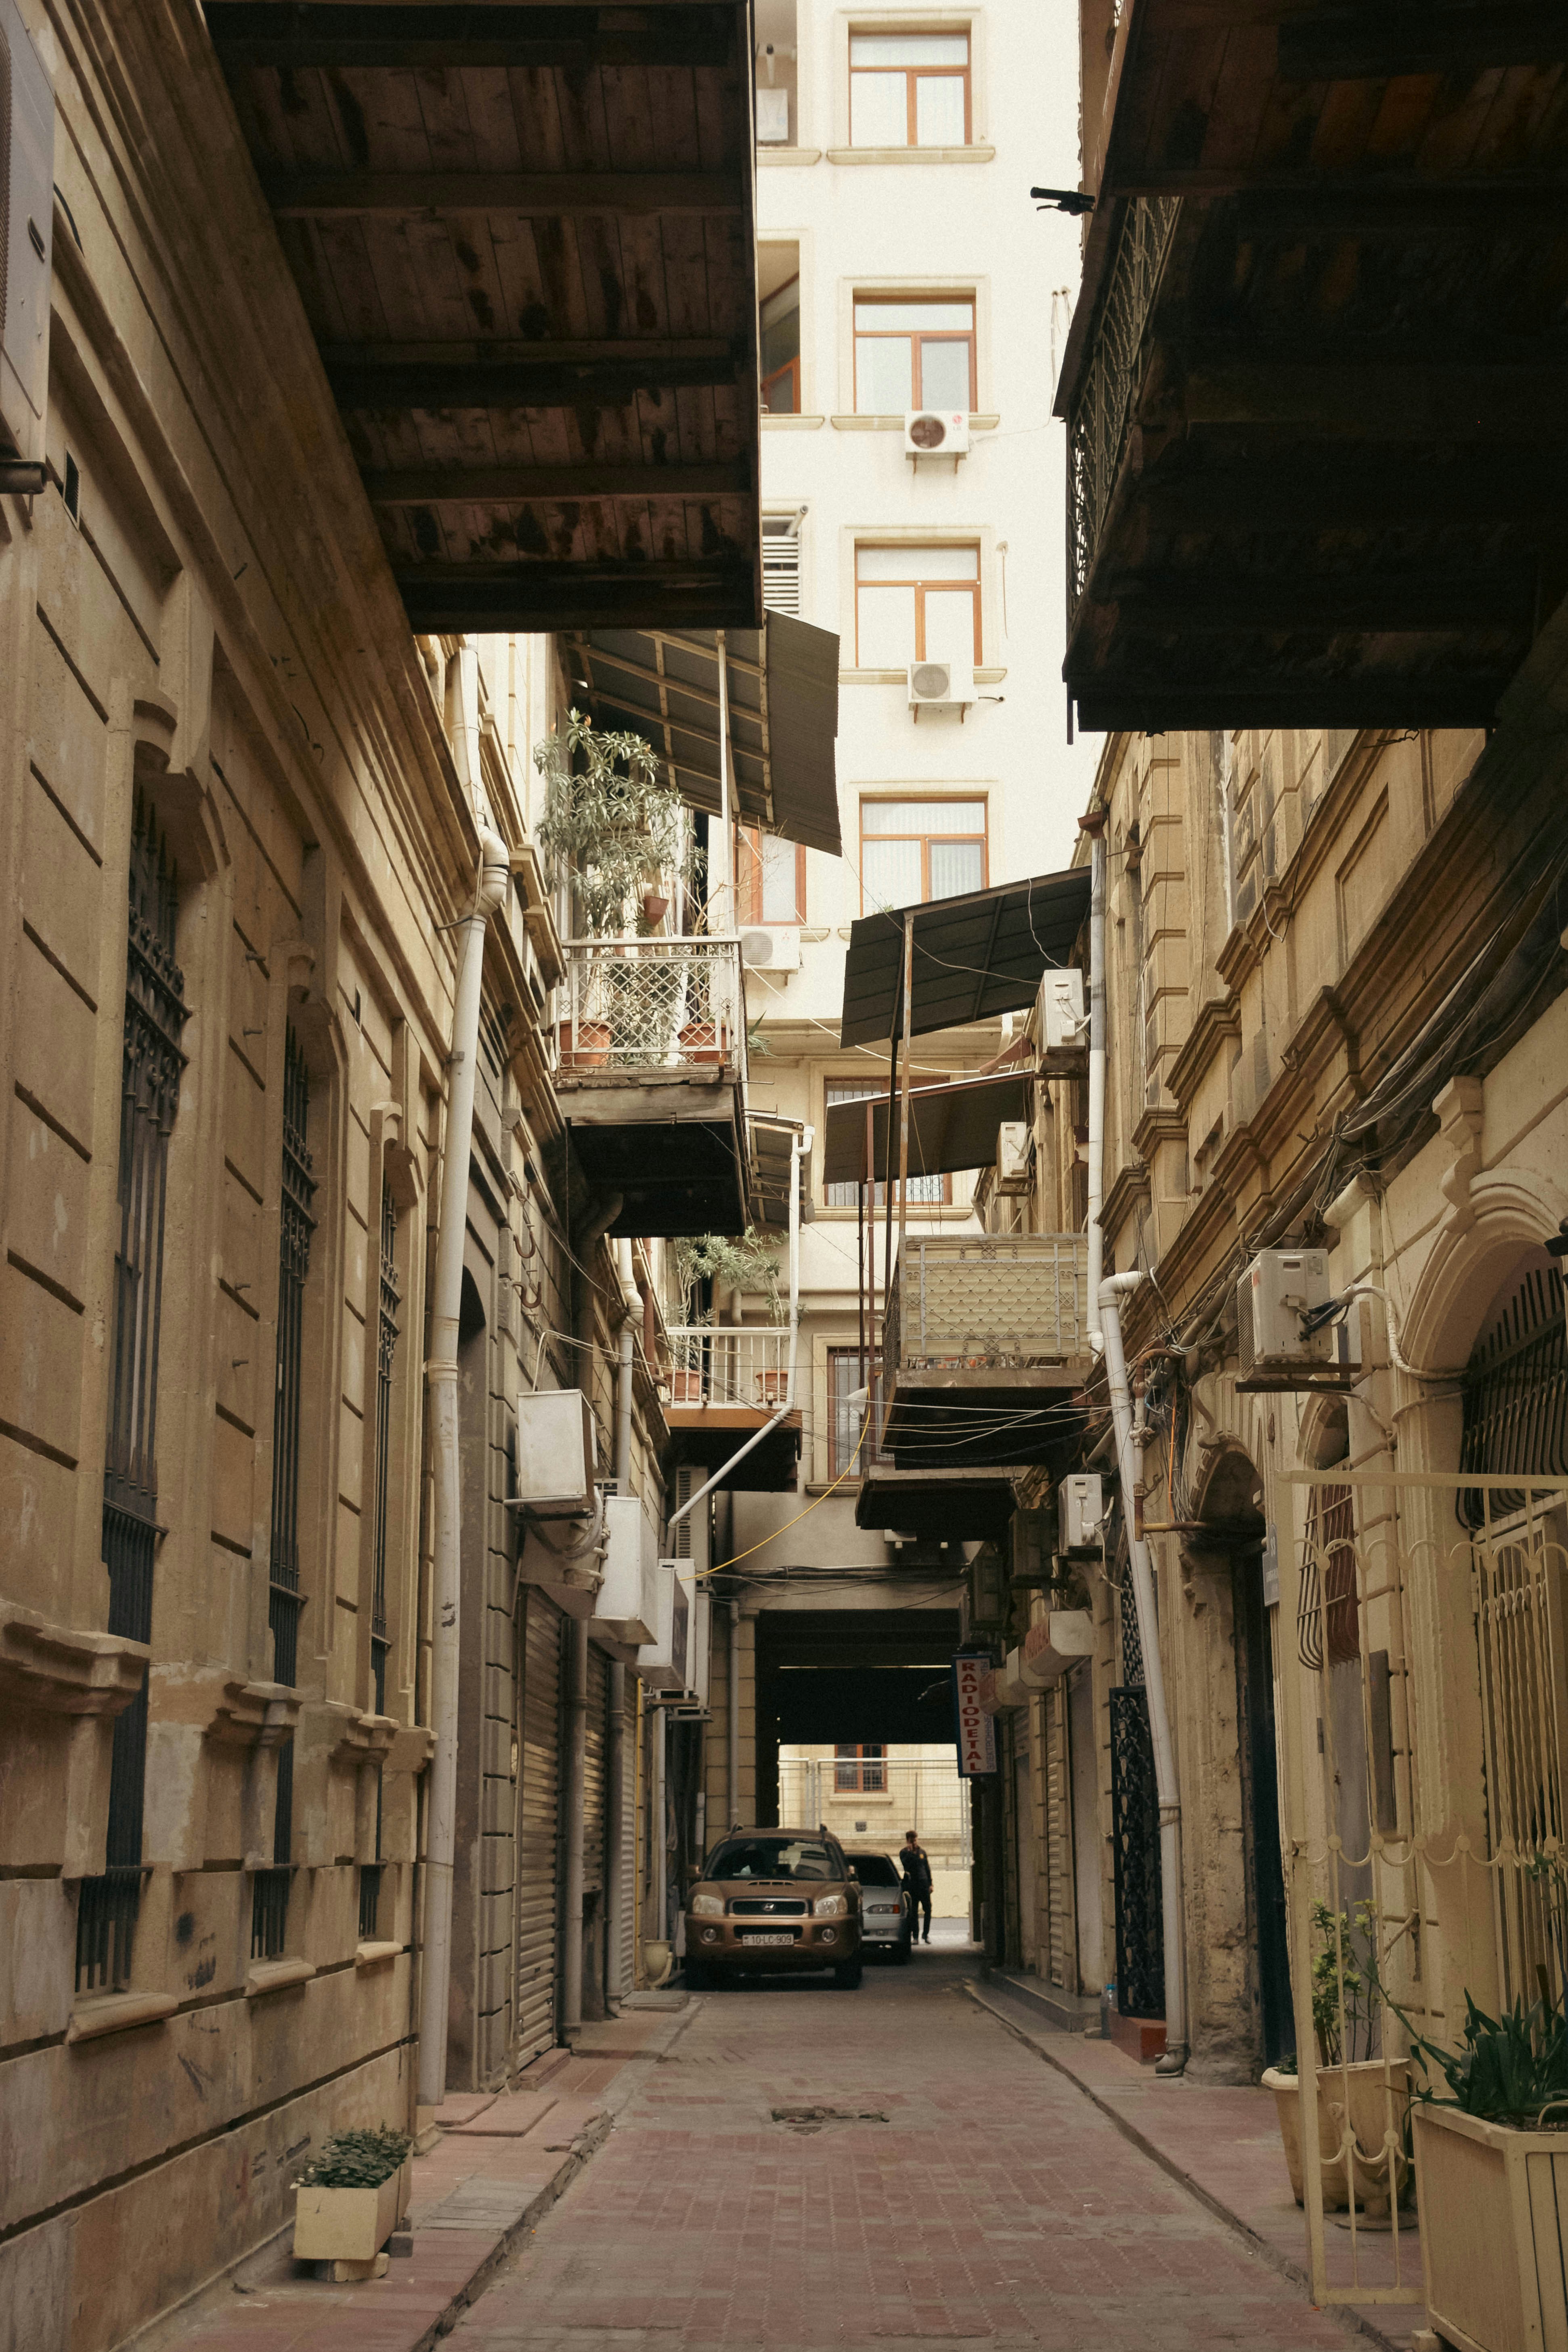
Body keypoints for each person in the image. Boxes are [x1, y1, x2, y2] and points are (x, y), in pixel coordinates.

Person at [901, 1829, 933, 1944]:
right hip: (912, 1886)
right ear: (907, 1841)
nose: (914, 1843)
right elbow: (906, 1865)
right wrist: (910, 1852)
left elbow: (927, 1869)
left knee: (928, 1909)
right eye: (912, 1841)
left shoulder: (922, 1852)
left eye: (915, 1840)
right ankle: (915, 1936)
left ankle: (926, 1935)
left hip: (924, 1885)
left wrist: (931, 1883)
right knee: (914, 1912)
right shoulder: (904, 1853)